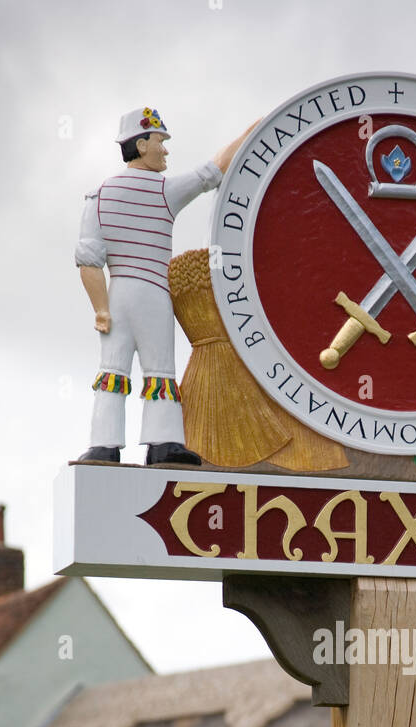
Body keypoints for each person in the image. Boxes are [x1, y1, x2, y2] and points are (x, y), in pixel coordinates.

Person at [75, 107, 246, 467]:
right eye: (159, 141)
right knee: (160, 370)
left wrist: (101, 308)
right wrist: (254, 131)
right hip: (153, 292)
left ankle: (104, 445)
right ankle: (163, 442)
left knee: (112, 370)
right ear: (141, 144)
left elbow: (89, 260)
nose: (165, 149)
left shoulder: (99, 196)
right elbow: (212, 171)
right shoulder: (165, 190)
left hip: (118, 293)